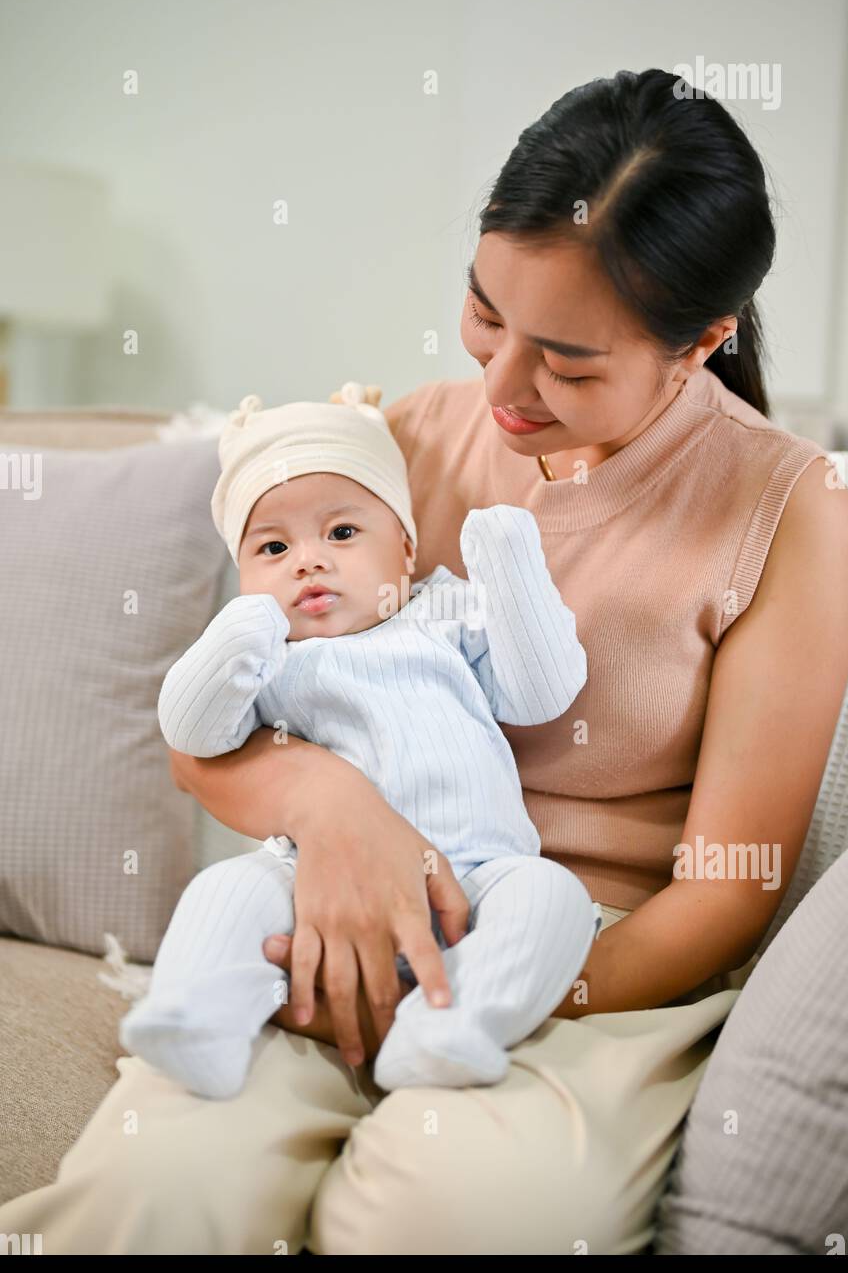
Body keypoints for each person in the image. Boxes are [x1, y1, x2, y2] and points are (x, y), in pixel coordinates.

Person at [0, 67, 848, 1255]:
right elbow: (212, 728)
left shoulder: (791, 507)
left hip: (586, 961)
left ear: (701, 342)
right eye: (484, 312)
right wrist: (328, 802)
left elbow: (727, 881)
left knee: (455, 1215)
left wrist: (476, 982)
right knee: (156, 1197)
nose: (499, 387)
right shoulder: (396, 441)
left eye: (565, 361)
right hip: (335, 902)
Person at [120, 385, 600, 1098]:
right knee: (229, 890)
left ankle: (448, 1029)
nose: (308, 561)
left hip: (475, 881)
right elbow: (193, 732)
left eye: (342, 534)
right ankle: (196, 1024)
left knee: (552, 896)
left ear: (405, 547)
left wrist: (508, 562)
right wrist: (239, 629)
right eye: (274, 547)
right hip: (317, 889)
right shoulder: (267, 653)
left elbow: (541, 693)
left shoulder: (444, 611)